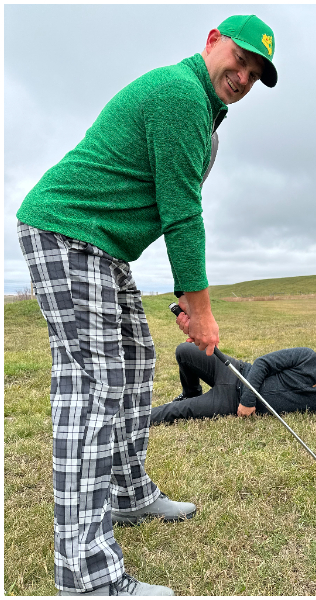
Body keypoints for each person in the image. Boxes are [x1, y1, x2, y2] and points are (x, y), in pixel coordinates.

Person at [15, 15, 278, 596]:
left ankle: (127, 493)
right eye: (240, 59)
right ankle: (86, 576)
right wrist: (202, 308)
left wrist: (187, 298)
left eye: (256, 74)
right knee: (95, 393)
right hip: (68, 234)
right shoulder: (181, 94)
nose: (243, 76)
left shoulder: (202, 112)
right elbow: (182, 210)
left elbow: (163, 201)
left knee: (134, 365)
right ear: (213, 41)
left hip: (101, 246)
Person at [150, 343, 316, 425]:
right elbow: (263, 363)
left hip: (228, 402)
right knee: (184, 351)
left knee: (175, 411)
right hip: (237, 372)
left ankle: (135, 420)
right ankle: (190, 392)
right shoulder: (306, 356)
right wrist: (249, 401)